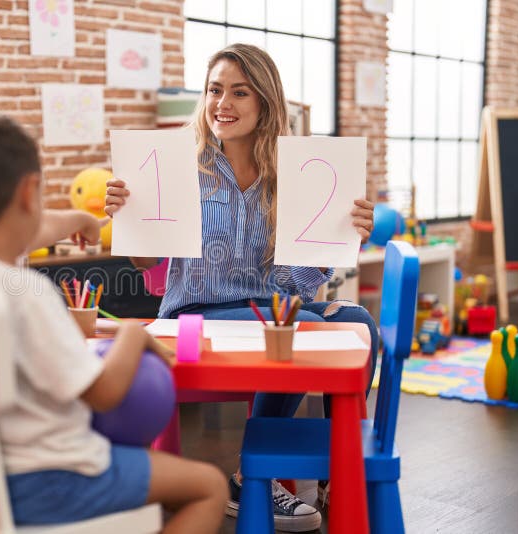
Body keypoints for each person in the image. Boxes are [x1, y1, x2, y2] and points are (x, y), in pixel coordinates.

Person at [105, 43, 378, 532]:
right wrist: (127, 216)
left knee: (358, 323)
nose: (222, 103)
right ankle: (251, 472)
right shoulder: (180, 164)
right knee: (298, 331)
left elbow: (295, 290)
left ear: (265, 103)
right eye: (214, 90)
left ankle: (339, 468)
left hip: (265, 311)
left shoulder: (290, 175)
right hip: (193, 319)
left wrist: (340, 238)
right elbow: (145, 260)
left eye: (239, 92)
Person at [0, 111, 228, 533]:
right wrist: (131, 333)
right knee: (208, 487)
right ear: (28, 191)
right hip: (54, 479)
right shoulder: (29, 296)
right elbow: (104, 393)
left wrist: (80, 220)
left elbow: (29, 231)